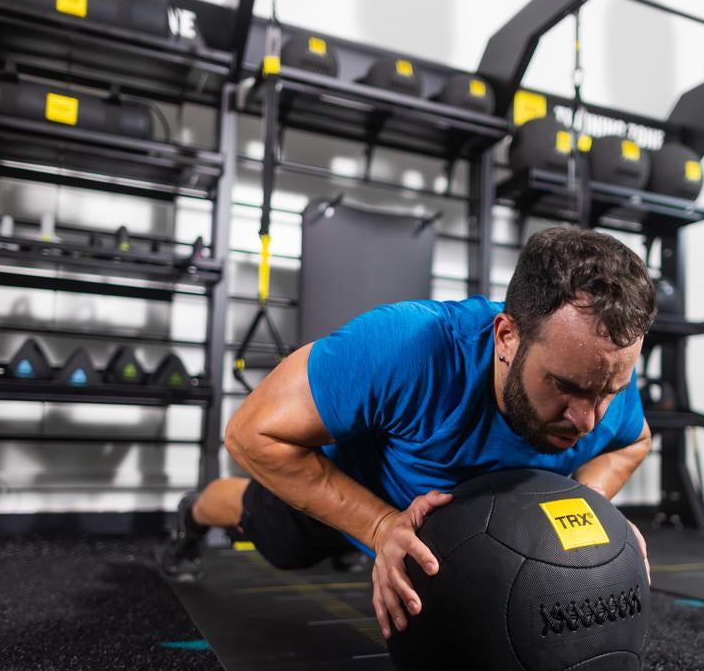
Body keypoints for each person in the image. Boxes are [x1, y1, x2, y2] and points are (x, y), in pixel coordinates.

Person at [157, 225, 655, 640]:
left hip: (458, 533)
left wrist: (590, 507)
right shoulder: (408, 348)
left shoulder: (598, 372)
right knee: (272, 531)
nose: (589, 420)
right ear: (506, 337)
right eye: (566, 387)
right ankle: (193, 514)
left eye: (608, 392)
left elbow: (633, 443)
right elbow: (250, 434)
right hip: (353, 493)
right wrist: (378, 527)